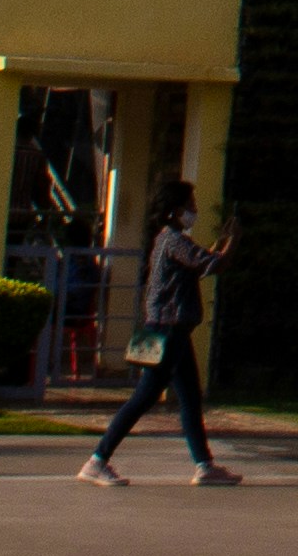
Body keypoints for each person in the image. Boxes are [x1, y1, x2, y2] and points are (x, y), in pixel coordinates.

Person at [76, 184, 240, 486]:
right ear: (175, 211)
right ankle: (97, 460)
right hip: (167, 330)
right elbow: (214, 264)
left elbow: (200, 262)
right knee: (145, 396)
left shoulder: (166, 241)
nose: (195, 209)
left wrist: (222, 243)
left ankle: (204, 465)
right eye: (190, 204)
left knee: (190, 397)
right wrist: (234, 241)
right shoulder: (174, 241)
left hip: (167, 329)